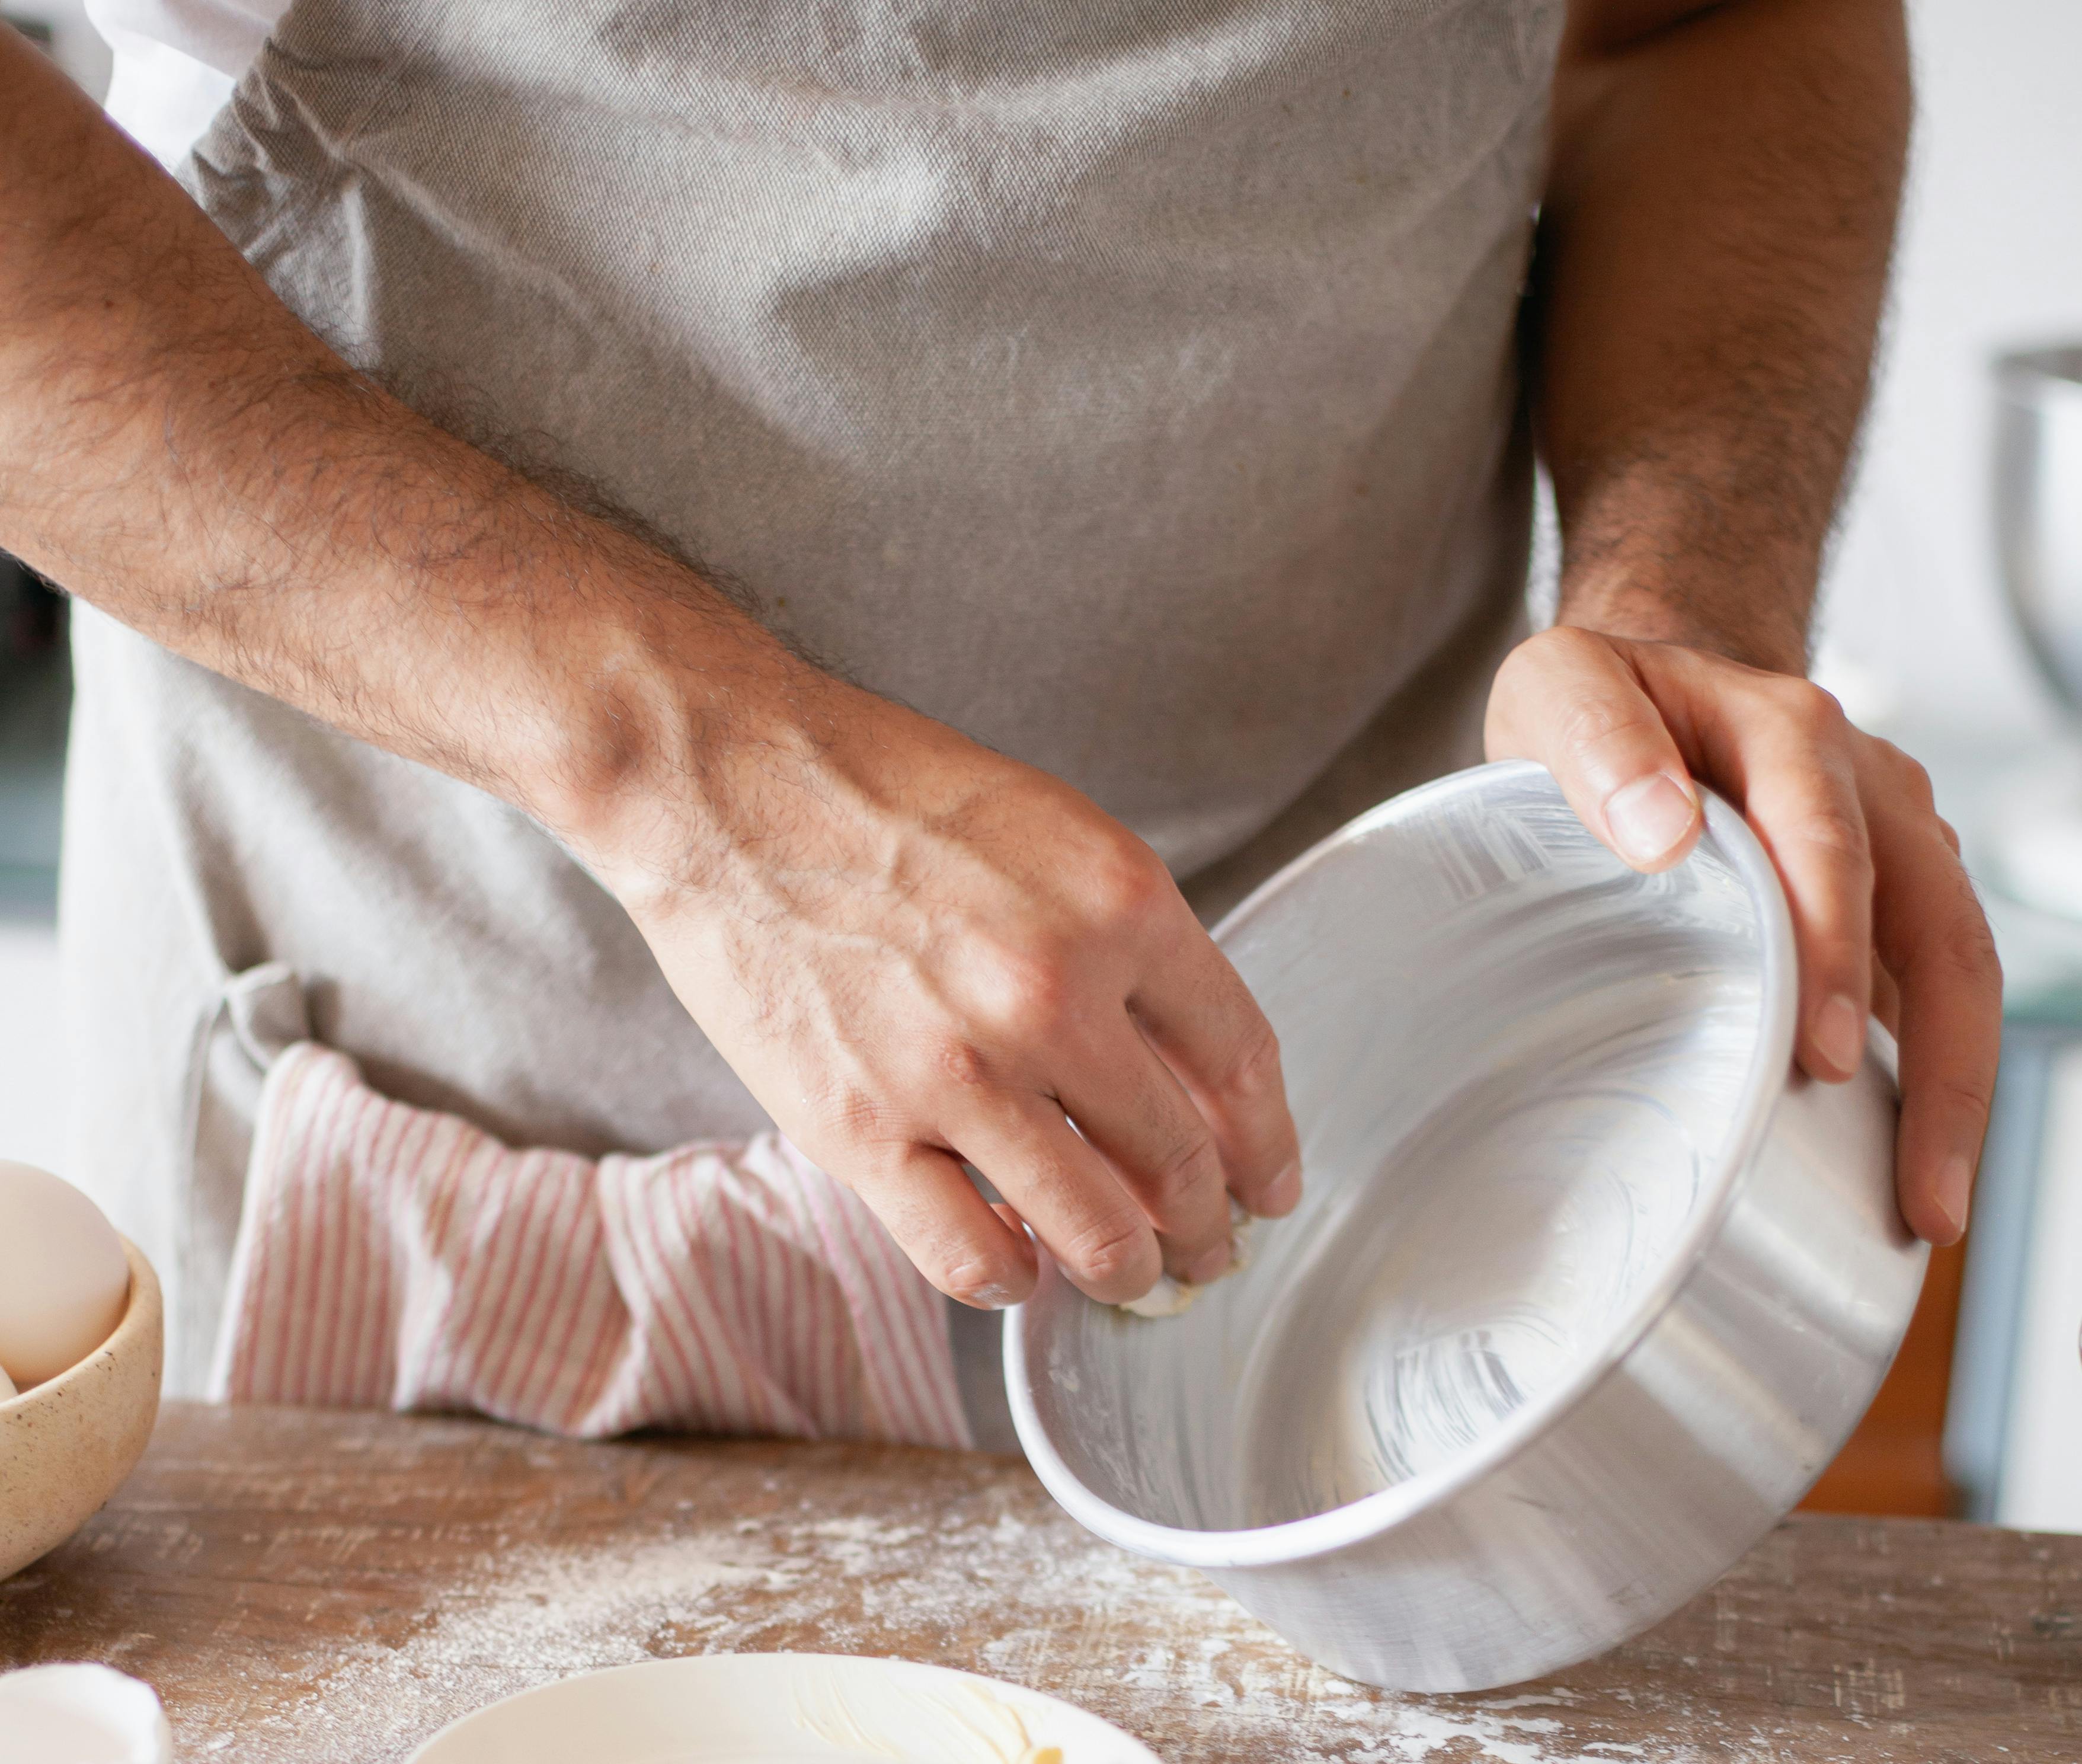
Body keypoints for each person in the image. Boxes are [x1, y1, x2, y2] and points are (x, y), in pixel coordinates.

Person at [0, 0, 1998, 1442]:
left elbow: (1704, 27)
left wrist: (1679, 601)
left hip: (1331, 1150)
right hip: (423, 1078)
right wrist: (688, 769)